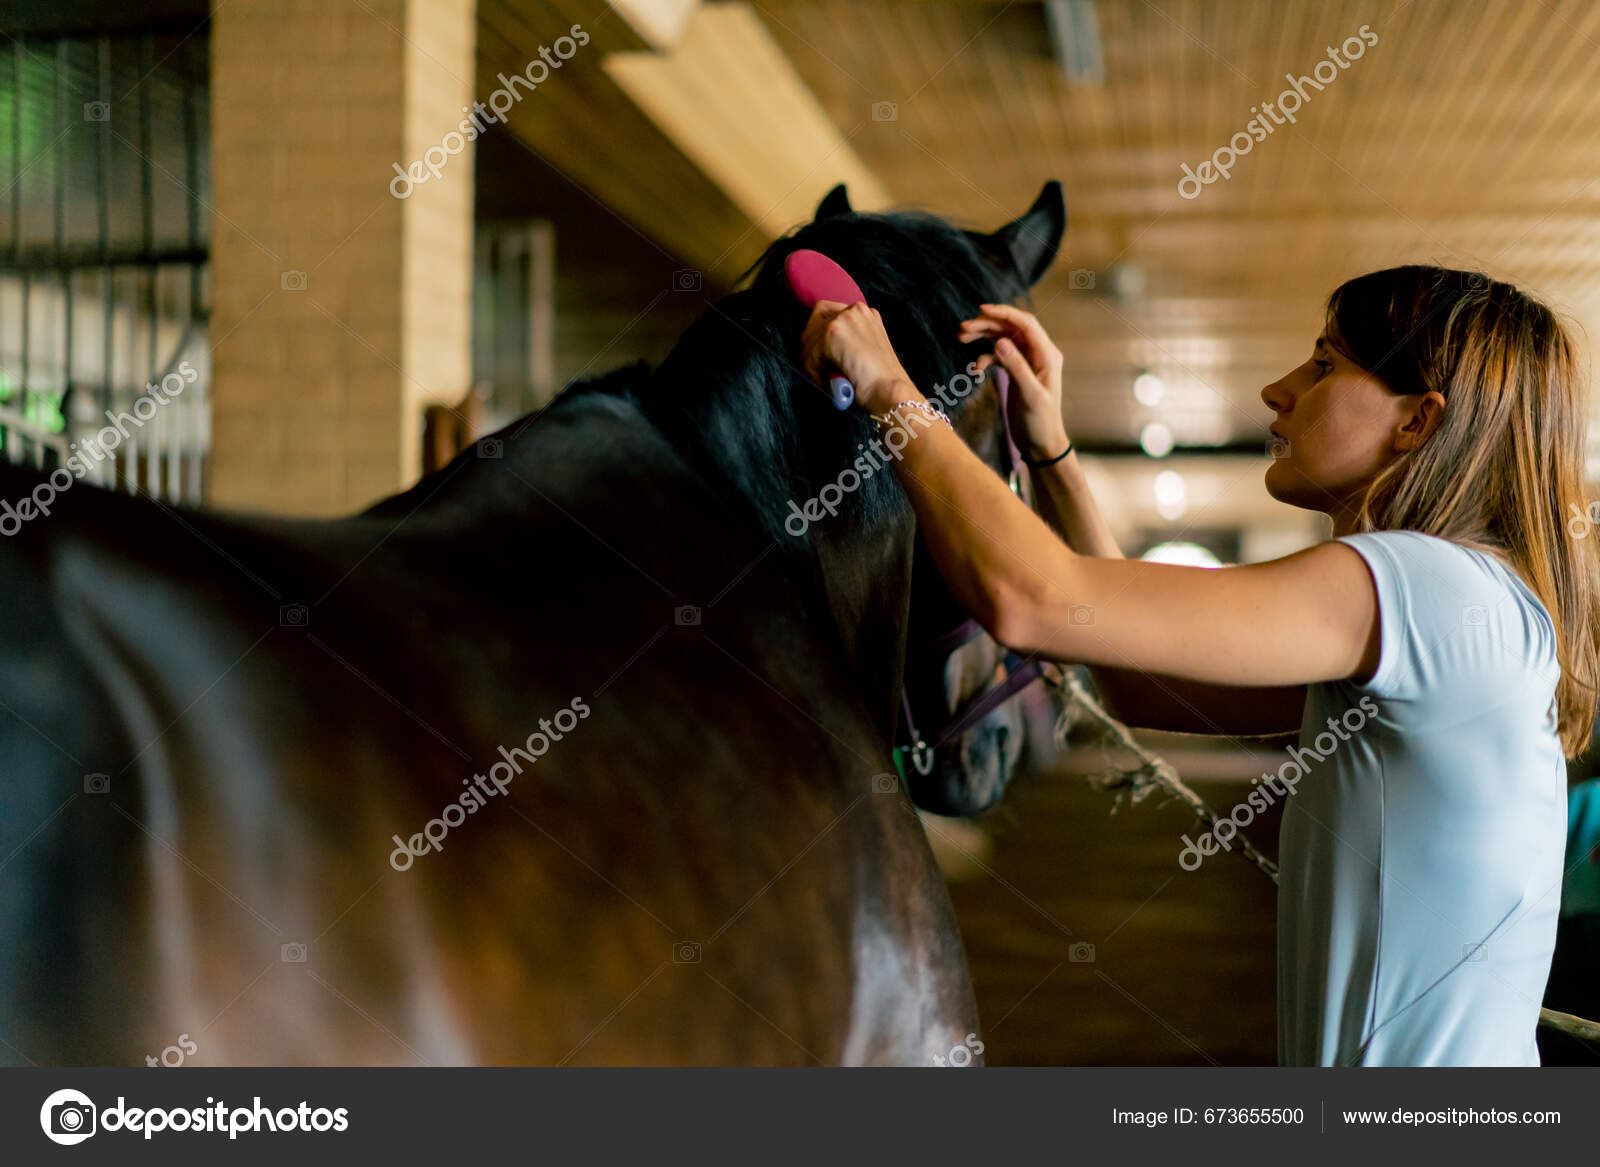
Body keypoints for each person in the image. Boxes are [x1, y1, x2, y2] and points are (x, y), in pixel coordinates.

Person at [799, 264, 1600, 1066]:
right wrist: (1053, 454)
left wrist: (890, 388)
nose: (1276, 391)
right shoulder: (1475, 607)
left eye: (1324, 364)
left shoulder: (1425, 583)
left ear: (1418, 422)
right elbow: (1137, 677)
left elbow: (1031, 599)